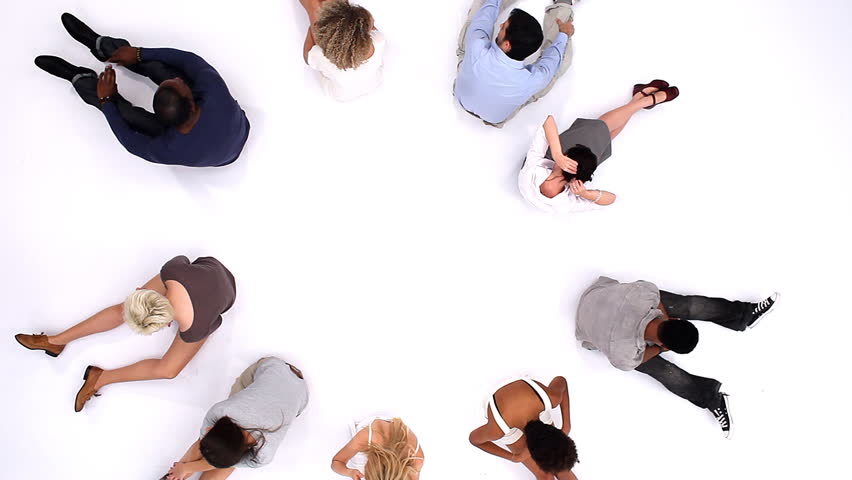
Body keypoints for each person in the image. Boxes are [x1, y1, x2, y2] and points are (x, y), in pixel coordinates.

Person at [14, 255, 236, 412]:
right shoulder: (173, 271)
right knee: (125, 308)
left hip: (225, 293)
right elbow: (185, 259)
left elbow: (217, 319)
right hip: (202, 270)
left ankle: (100, 377)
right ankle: (55, 341)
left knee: (169, 370)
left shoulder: (194, 327)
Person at [34, 13, 250, 167]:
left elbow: (130, 141)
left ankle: (78, 77)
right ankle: (102, 46)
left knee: (128, 116)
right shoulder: (213, 92)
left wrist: (107, 100)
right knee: (156, 66)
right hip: (226, 125)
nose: (177, 78)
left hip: (222, 147)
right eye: (178, 82)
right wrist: (139, 53)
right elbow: (190, 60)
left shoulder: (171, 147)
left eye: (180, 83)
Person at [575, 276, 781, 438]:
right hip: (588, 326)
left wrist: (662, 341)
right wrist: (658, 350)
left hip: (601, 295)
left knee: (685, 304)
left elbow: (651, 294)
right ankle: (712, 399)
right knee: (662, 370)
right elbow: (635, 359)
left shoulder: (644, 294)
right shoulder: (624, 354)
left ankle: (745, 315)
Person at [519, 80, 679, 213]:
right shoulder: (564, 203)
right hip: (577, 166)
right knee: (603, 136)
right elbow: (612, 199)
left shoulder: (531, 171)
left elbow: (548, 121)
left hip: (548, 159)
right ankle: (642, 100)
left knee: (599, 131)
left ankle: (640, 99)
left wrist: (557, 154)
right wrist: (585, 193)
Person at [164, 357, 309, 480]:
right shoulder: (223, 412)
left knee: (219, 454)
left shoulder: (262, 455)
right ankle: (175, 476)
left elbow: (225, 459)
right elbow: (216, 451)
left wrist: (187, 467)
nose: (207, 429)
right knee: (215, 451)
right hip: (280, 376)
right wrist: (185, 468)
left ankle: (174, 476)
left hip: (286, 380)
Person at [455, 0, 575, 127]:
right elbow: (551, 62)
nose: (500, 25)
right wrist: (563, 35)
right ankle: (563, 10)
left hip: (461, 97)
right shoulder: (533, 80)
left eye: (504, 26)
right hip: (496, 117)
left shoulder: (477, 46)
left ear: (507, 45)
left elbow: (485, 18)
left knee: (479, 16)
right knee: (557, 60)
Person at [469, 376, 578, 480]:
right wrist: (513, 457)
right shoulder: (498, 428)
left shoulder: (551, 398)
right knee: (546, 477)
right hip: (507, 421)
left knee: (562, 469)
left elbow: (561, 381)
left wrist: (566, 425)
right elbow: (474, 439)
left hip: (534, 403)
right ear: (530, 450)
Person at [300, 0, 385, 101]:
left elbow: (307, 56)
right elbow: (369, 26)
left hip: (340, 94)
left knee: (315, 9)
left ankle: (327, 17)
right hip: (374, 82)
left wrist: (313, 28)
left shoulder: (321, 58)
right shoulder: (378, 41)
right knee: (341, 14)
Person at [331, 416, 425, 480]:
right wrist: (350, 472)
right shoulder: (368, 436)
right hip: (371, 429)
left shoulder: (417, 460)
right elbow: (337, 461)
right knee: (357, 462)